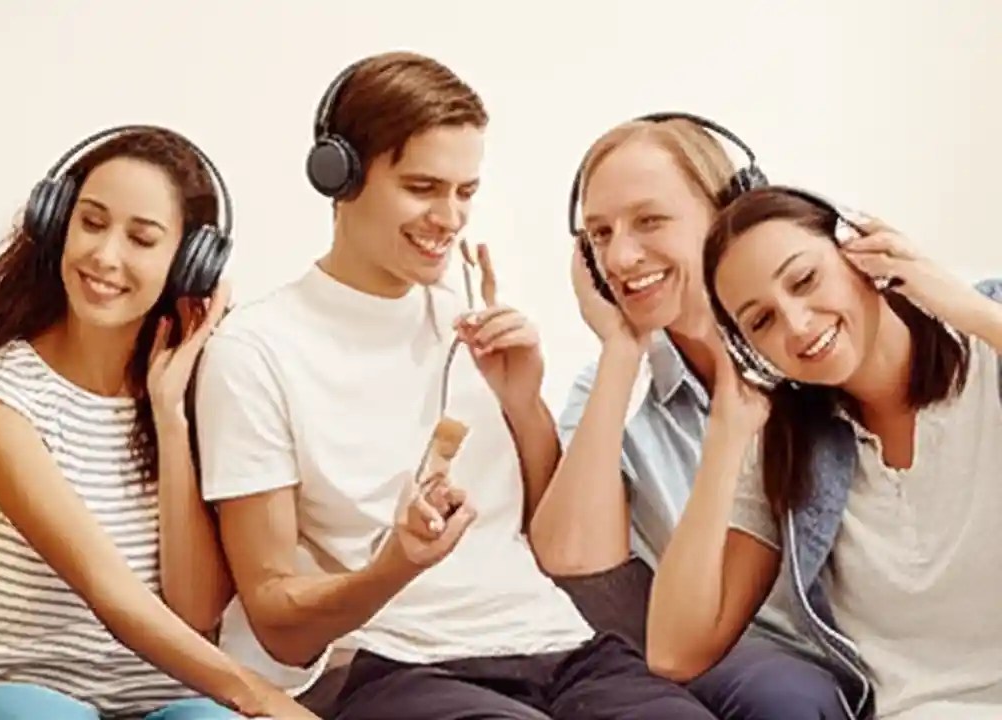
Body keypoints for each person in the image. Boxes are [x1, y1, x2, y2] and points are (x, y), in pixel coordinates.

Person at [193, 51, 716, 720]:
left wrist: (523, 402)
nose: (450, 217)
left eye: (465, 192)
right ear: (339, 175)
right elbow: (275, 620)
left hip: (556, 644)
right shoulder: (255, 351)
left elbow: (555, 547)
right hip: (392, 664)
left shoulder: (471, 320)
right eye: (423, 187)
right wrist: (396, 565)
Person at [0, 125, 316, 720]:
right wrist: (260, 698)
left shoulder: (198, 392)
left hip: (170, 702)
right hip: (22, 695)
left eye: (141, 239)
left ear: (188, 263)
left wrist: (170, 417)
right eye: (92, 223)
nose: (105, 256)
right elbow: (108, 589)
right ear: (58, 224)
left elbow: (196, 609)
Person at [530, 116, 849, 719]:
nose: (621, 256)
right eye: (600, 234)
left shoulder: (812, 345)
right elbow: (571, 558)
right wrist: (621, 349)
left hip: (855, 648)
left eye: (649, 221)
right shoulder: (615, 391)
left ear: (728, 214)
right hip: (730, 659)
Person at [649, 184, 1002, 720]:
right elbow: (674, 650)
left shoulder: (987, 349)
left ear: (861, 251)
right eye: (761, 321)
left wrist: (964, 307)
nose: (797, 324)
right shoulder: (790, 450)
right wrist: (724, 438)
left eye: (805, 280)